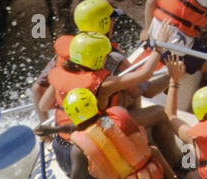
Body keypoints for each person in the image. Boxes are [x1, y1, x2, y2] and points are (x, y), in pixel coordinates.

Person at [36, 88, 186, 179]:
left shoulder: (78, 149)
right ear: (95, 103)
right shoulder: (120, 116)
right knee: (154, 154)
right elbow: (94, 121)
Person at [38, 31, 165, 171]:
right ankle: (175, 162)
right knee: (159, 113)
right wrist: (159, 51)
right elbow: (144, 75)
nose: (106, 60)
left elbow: (44, 106)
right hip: (90, 152)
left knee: (123, 102)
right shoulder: (104, 83)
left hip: (62, 149)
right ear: (97, 59)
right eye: (105, 57)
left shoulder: (60, 74)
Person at [31, 0, 127, 112]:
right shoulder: (114, 57)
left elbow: (37, 89)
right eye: (112, 19)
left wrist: (45, 123)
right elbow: (145, 90)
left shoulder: (67, 50)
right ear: (104, 23)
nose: (114, 22)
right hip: (99, 123)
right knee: (129, 96)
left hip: (66, 122)